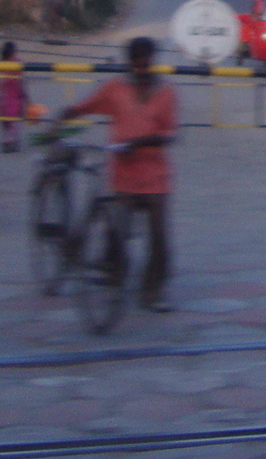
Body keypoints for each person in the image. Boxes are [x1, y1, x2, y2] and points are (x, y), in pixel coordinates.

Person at [60, 35, 179, 311]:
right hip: (123, 175)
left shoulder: (165, 93)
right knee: (116, 232)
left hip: (155, 176)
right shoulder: (115, 89)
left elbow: (169, 133)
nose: (142, 69)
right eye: (137, 64)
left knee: (159, 238)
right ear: (130, 64)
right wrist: (67, 114)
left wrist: (140, 142)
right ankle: (113, 272)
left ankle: (153, 291)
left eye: (146, 64)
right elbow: (87, 106)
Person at [0, 41, 27, 154]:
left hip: (14, 94)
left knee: (14, 117)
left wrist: (24, 95)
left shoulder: (17, 63)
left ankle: (11, 138)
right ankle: (9, 138)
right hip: (5, 94)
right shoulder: (1, 64)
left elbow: (21, 80)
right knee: (5, 119)